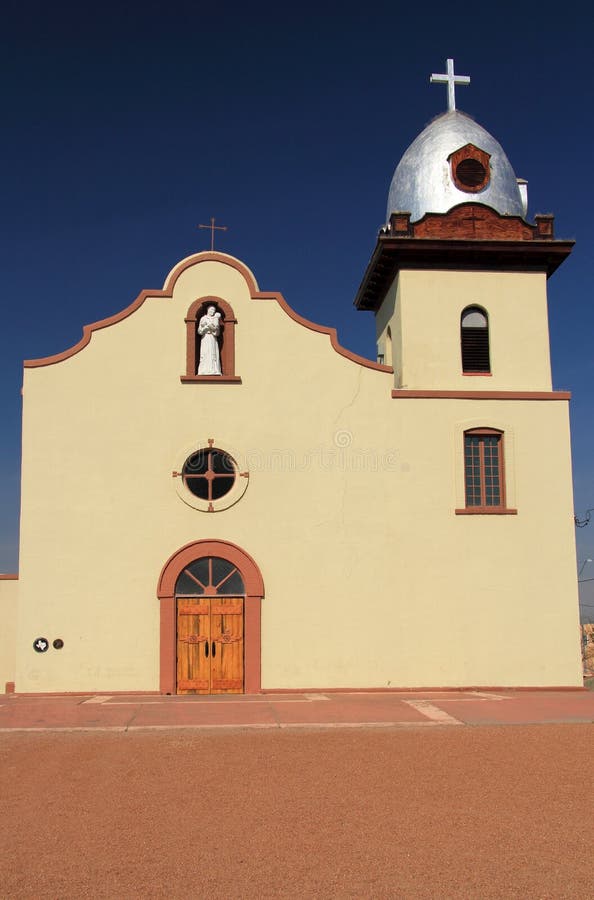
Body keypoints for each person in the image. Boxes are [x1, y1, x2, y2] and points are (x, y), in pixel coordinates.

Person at [197, 306, 222, 375]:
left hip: (212, 338)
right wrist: (205, 328)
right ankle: (204, 370)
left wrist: (214, 330)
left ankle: (214, 370)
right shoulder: (203, 318)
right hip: (205, 338)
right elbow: (199, 331)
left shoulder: (215, 319)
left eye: (214, 310)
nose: (213, 311)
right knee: (205, 353)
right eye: (211, 310)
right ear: (208, 310)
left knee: (213, 353)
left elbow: (218, 332)